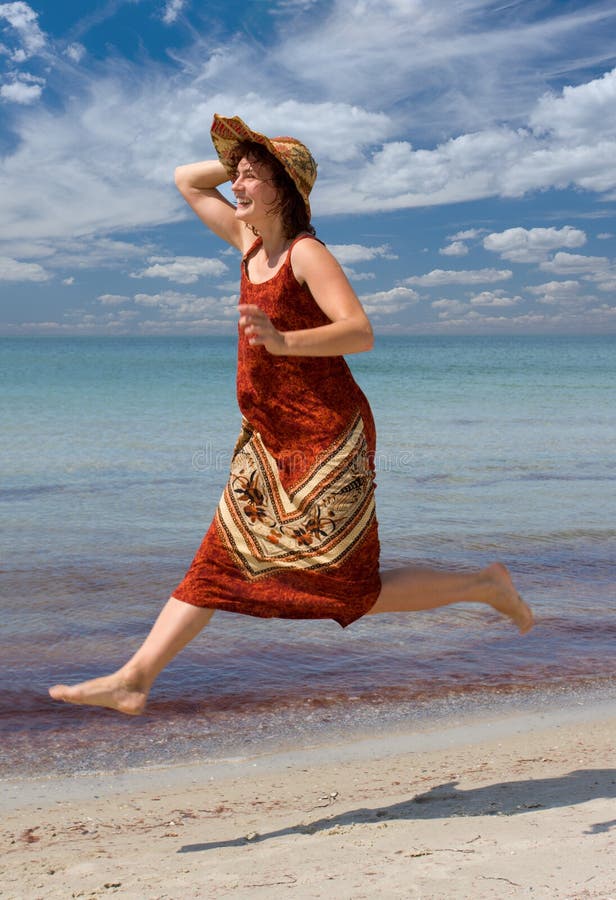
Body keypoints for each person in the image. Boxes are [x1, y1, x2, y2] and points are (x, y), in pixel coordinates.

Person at [49, 115, 534, 716]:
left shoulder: (305, 253)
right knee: (218, 562)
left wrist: (283, 343)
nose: (237, 187)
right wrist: (252, 159)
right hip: (267, 436)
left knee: (350, 591)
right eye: (237, 176)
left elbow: (360, 332)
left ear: (286, 192)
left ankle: (485, 586)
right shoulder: (250, 244)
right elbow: (186, 180)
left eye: (253, 179)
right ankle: (136, 678)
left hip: (328, 437)